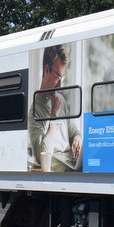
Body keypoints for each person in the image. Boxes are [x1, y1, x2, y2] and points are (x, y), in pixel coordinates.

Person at [28, 44, 82, 172]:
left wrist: (77, 139)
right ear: (47, 70)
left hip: (70, 166)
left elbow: (75, 132)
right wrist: (53, 114)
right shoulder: (35, 111)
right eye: (57, 77)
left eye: (62, 78)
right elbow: (43, 155)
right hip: (56, 172)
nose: (60, 84)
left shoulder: (61, 100)